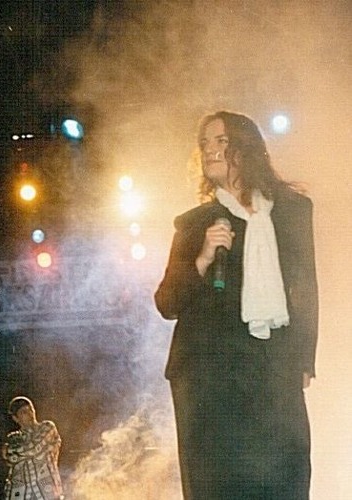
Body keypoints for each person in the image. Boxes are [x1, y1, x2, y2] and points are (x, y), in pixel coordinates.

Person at [155, 111, 318, 499]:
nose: (209, 150)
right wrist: (202, 259)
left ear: (245, 149)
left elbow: (306, 288)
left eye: (220, 141)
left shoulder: (292, 211)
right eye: (204, 144)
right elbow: (167, 302)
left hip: (272, 363)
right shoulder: (195, 224)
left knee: (286, 475)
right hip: (211, 375)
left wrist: (304, 359)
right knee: (221, 483)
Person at [2, 396, 64, 500]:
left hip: (47, 493)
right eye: (24, 412)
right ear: (16, 418)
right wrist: (19, 453)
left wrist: (10, 451)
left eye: (31, 409)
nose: (30, 414)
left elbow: (34, 449)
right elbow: (9, 459)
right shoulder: (13, 438)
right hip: (21, 495)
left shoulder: (47, 427)